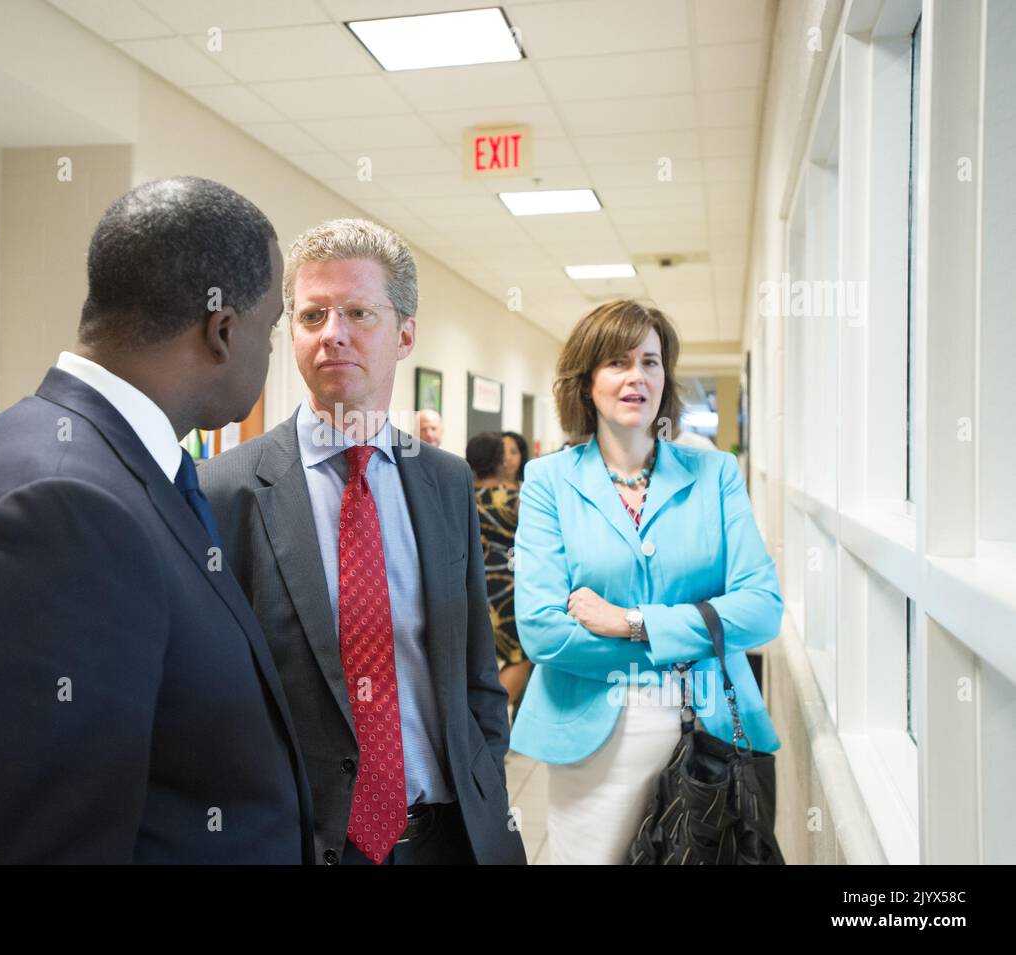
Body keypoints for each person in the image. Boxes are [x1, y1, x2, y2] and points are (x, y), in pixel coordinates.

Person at [0, 177, 313, 864]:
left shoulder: (97, 461)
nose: (271, 351)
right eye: (272, 327)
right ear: (223, 330)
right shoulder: (60, 511)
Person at [201, 218, 525, 866]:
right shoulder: (225, 489)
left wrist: (485, 780)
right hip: (306, 843)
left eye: (357, 312)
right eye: (313, 314)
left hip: (449, 837)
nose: (333, 334)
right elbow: (214, 698)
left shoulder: (444, 480)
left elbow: (477, 676)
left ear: (405, 333)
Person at [511, 299, 783, 865]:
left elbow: (762, 609)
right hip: (591, 743)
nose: (637, 376)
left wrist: (633, 623)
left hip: (712, 734)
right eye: (616, 362)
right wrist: (691, 638)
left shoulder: (716, 473)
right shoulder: (548, 481)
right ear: (587, 382)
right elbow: (542, 632)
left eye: (651, 361)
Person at [465, 432, 531, 719]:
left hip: (468, 583)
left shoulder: (459, 492)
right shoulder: (517, 497)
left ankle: (476, 719)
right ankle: (489, 718)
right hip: (507, 585)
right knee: (520, 655)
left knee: (477, 658)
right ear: (500, 460)